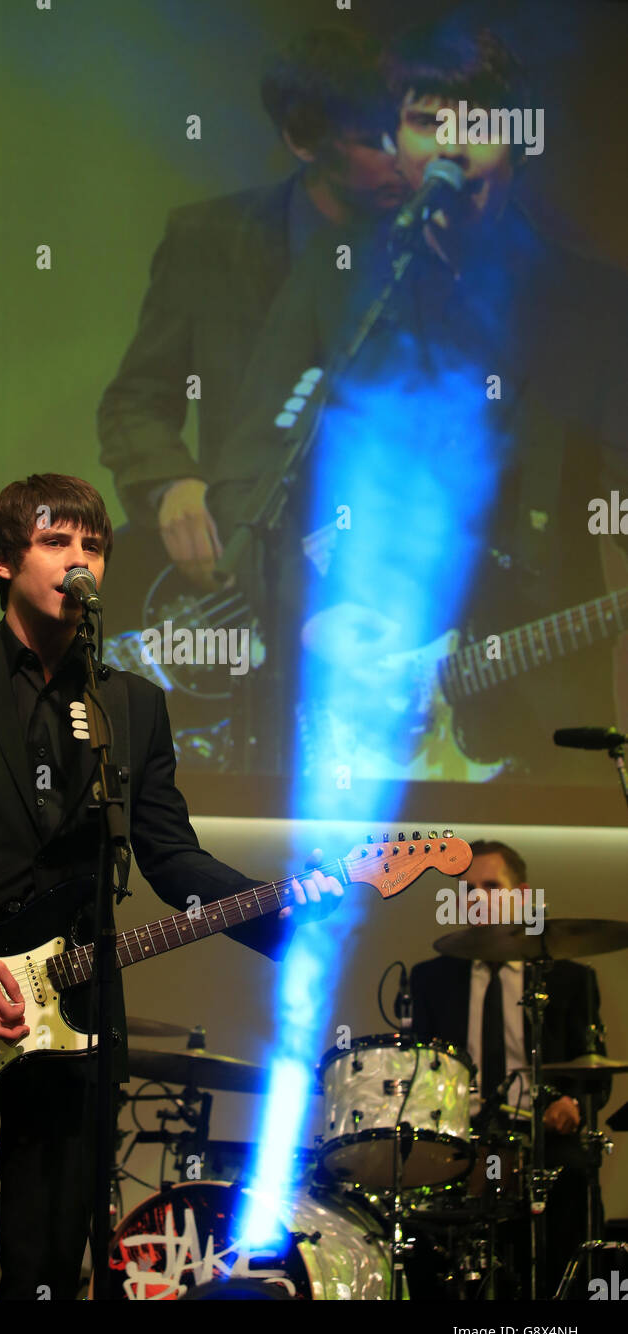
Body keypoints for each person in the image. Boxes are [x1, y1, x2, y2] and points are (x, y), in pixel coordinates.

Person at [0, 472, 342, 1300]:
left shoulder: (133, 706)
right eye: (56, 541)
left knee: (46, 1268)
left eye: (94, 546)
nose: (80, 561)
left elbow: (170, 859)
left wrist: (278, 908)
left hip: (73, 1017)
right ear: (5, 561)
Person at [207, 20, 628, 779]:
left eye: (480, 127)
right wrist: (317, 614)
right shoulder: (337, 278)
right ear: (397, 143)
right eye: (427, 122)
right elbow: (247, 476)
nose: (451, 149)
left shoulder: (593, 303)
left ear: (519, 145)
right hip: (365, 715)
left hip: (544, 712)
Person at [96, 26, 403, 620]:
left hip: (377, 588)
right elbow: (134, 402)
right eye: (373, 141)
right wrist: (172, 485)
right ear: (303, 141)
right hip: (241, 585)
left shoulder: (426, 251)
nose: (400, 157)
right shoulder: (208, 241)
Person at [409, 838, 608, 1297]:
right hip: (464, 1138)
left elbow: (596, 1072)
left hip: (543, 1137)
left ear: (521, 896)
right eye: (468, 890)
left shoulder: (570, 979)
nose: (478, 898)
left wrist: (571, 1102)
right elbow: (424, 1070)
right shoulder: (431, 979)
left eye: (491, 887)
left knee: (573, 1183)